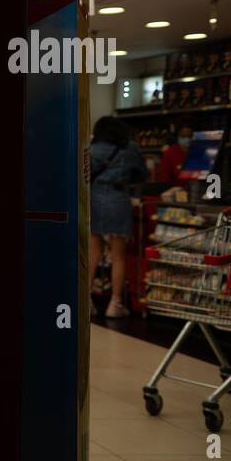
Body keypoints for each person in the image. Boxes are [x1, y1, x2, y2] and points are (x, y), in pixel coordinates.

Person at [89, 116, 148, 318]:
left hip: (93, 200)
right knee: (118, 255)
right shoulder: (130, 148)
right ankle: (115, 304)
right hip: (117, 199)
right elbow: (141, 174)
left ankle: (86, 301)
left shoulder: (91, 149)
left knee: (92, 251)